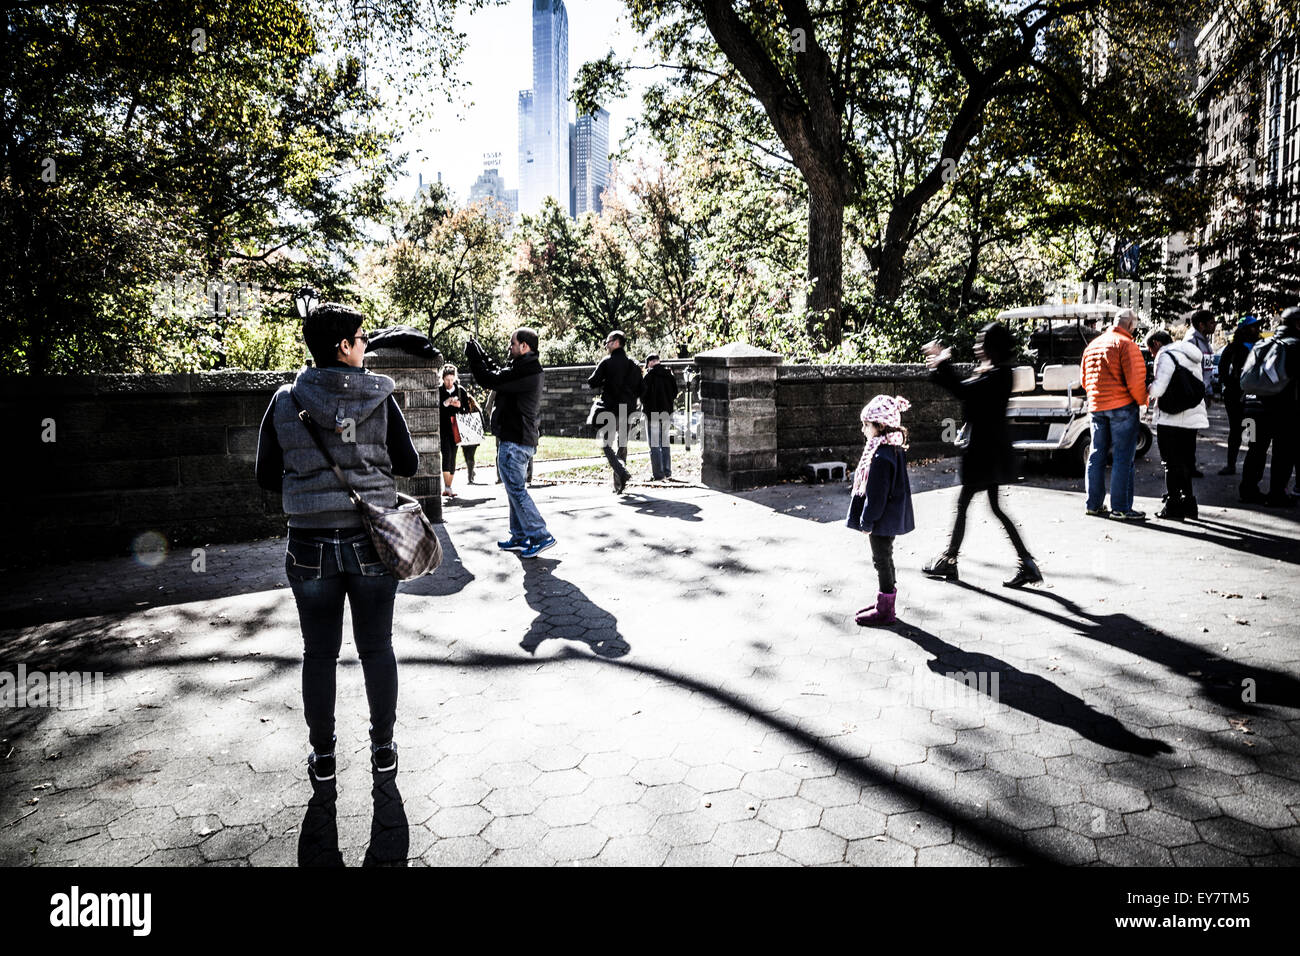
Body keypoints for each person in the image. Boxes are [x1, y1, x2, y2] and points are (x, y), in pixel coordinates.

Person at [255, 303, 418, 783]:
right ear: (343, 346)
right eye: (362, 338)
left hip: (309, 543)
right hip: (371, 539)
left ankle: (323, 757)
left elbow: (265, 475)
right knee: (376, 648)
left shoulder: (286, 400)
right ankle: (383, 748)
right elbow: (408, 464)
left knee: (319, 653)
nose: (366, 344)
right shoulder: (380, 398)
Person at [921, 323, 1043, 588]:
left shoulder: (998, 374)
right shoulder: (998, 372)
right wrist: (941, 368)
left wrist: (943, 364)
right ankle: (1027, 563)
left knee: (966, 503)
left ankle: (949, 561)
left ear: (992, 347)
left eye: (981, 342)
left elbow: (966, 392)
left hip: (985, 453)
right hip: (991, 451)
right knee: (993, 508)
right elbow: (965, 390)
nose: (977, 346)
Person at [465, 329, 556, 556]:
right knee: (513, 489)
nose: (509, 347)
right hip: (516, 439)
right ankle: (520, 536)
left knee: (516, 490)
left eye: (512, 344)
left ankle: (540, 534)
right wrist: (482, 355)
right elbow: (498, 372)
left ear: (524, 346)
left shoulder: (527, 371)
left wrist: (474, 358)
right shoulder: (523, 367)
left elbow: (490, 379)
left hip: (515, 441)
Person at [846, 395, 915, 626]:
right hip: (890, 515)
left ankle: (886, 609)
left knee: (881, 559)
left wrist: (867, 522)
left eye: (867, 424)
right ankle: (885, 600)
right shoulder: (891, 448)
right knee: (886, 557)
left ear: (881, 425)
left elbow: (876, 495)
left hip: (882, 519)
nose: (863, 429)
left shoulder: (881, 455)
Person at [1080, 307, 1149, 520]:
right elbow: (1136, 381)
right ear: (1130, 325)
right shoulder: (1127, 345)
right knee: (1122, 458)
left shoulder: (1093, 345)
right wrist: (1143, 400)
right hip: (1122, 407)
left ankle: (1094, 504)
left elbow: (1084, 379)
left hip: (1097, 406)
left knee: (1096, 454)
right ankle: (1120, 508)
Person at [1145, 329, 1209, 520]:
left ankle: (1173, 505)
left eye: (1151, 349)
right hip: (1192, 415)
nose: (1151, 354)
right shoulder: (1189, 353)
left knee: (1171, 463)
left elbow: (1158, 389)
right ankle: (1189, 503)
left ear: (1156, 343)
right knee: (1186, 462)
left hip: (1172, 418)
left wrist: (1148, 387)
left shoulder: (1166, 356)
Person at [1241, 306, 1300, 506]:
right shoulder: (1295, 345)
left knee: (1255, 448)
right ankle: (1277, 494)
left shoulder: (1262, 343)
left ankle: (1248, 490)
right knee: (1283, 452)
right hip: (1284, 408)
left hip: (1252, 405)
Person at [587, 330, 643, 493]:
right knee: (622, 445)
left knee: (605, 443)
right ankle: (620, 483)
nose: (606, 344)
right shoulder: (633, 364)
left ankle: (621, 471)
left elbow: (592, 382)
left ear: (617, 342)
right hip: (628, 410)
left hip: (611, 409)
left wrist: (606, 380)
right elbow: (642, 389)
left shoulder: (607, 362)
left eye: (608, 341)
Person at [1217, 315, 1262, 475]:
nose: (1256, 329)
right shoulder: (1233, 347)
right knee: (1236, 429)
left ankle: (1251, 467)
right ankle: (1231, 464)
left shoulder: (1261, 345)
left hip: (1255, 396)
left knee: (1252, 431)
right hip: (1235, 396)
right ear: (1244, 329)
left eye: (1257, 326)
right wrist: (1233, 385)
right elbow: (1222, 368)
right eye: (1253, 326)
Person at [437, 364, 481, 497]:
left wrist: (459, 405)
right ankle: (446, 486)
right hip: (444, 428)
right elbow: (435, 409)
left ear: (455, 378)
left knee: (453, 456)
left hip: (457, 428)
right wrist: (445, 403)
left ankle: (449, 486)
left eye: (451, 379)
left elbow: (467, 410)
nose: (449, 383)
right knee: (446, 454)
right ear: (442, 379)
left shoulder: (460, 390)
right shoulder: (439, 390)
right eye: (447, 380)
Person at [1184, 310, 1217, 477]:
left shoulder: (1205, 342)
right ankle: (1187, 466)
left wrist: (1208, 391)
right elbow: (1188, 370)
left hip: (1200, 392)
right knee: (1189, 432)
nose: (1215, 325)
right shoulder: (1192, 341)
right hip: (1193, 393)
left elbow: (1207, 370)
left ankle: (1189, 465)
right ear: (1201, 324)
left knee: (1193, 430)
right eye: (1211, 322)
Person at [641, 354, 679, 481]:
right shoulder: (669, 375)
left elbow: (642, 396)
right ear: (659, 361)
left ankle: (658, 474)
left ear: (650, 363)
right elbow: (674, 393)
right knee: (665, 443)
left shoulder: (648, 376)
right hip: (666, 413)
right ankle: (667, 472)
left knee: (655, 445)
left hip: (652, 414)